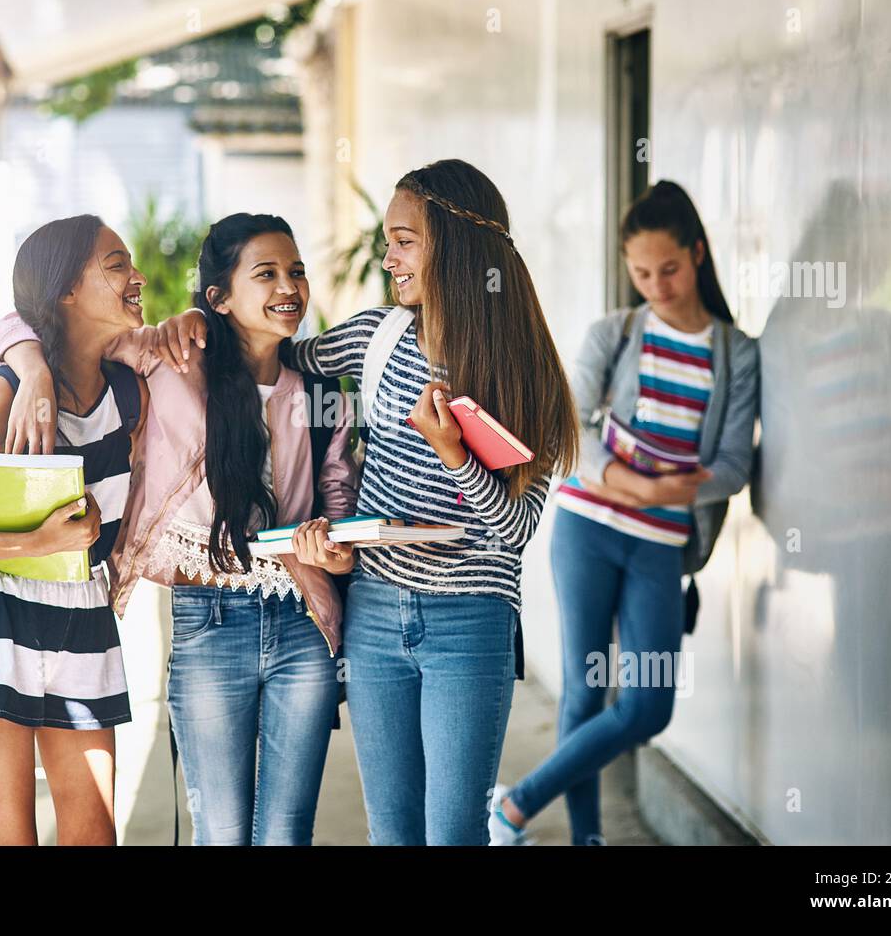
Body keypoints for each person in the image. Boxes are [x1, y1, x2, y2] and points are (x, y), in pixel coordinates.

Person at [153, 160, 580, 845]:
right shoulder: (376, 335)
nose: (389, 258)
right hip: (376, 617)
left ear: (453, 243)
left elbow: (514, 531)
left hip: (471, 622)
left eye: (404, 240)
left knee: (453, 832)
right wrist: (197, 321)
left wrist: (454, 453)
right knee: (393, 833)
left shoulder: (526, 374)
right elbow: (273, 350)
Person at [0, 213, 359, 845]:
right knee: (220, 833)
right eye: (266, 273)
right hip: (210, 621)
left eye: (296, 271)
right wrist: (31, 372)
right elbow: (34, 318)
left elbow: (339, 503)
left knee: (286, 833)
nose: (289, 287)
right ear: (217, 297)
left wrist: (335, 548)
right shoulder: (170, 357)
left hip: (302, 622)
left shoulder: (322, 389)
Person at [489, 180, 759, 845]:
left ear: (697, 253)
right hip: (588, 529)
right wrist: (628, 483)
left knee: (645, 703)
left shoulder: (736, 353)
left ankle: (515, 803)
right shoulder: (615, 332)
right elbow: (566, 429)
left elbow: (732, 465)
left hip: (660, 544)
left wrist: (665, 494)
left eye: (668, 268)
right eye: (641, 272)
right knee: (583, 696)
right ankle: (588, 840)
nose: (656, 285)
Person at [0, 214, 148, 845]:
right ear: (67, 289)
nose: (137, 277)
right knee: (10, 837)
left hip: (85, 618)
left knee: (94, 830)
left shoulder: (131, 394)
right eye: (116, 265)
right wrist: (37, 544)